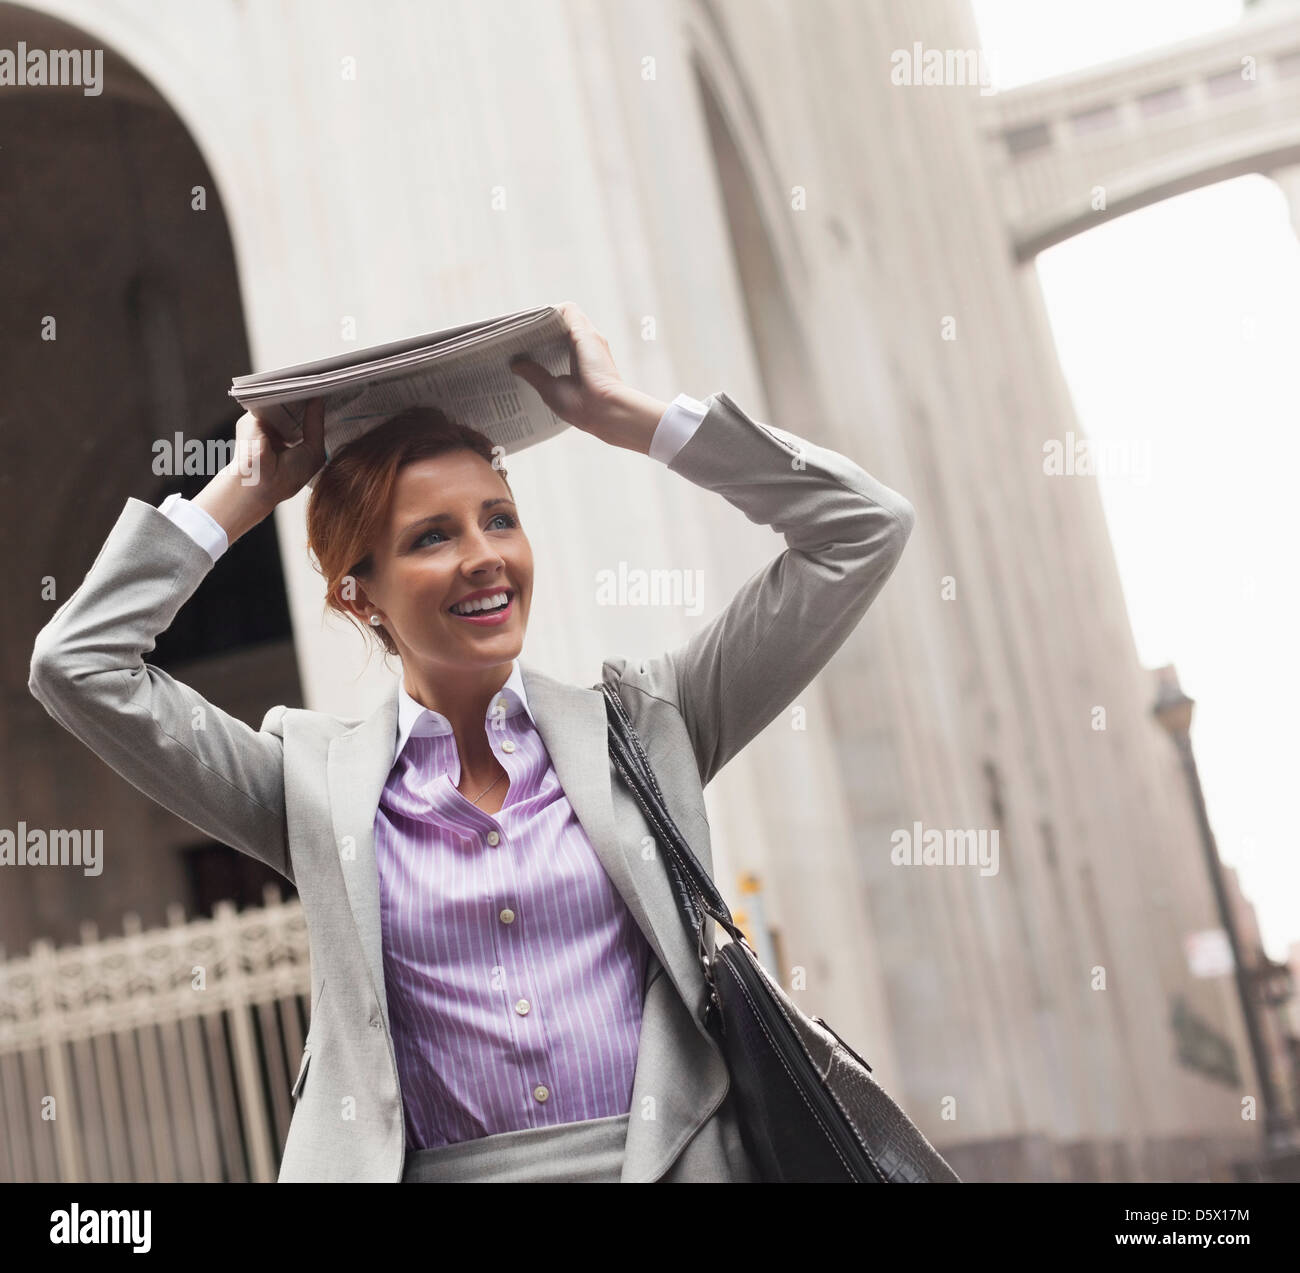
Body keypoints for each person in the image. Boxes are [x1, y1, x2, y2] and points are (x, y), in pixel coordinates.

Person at [28, 302, 916, 1182]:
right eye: (431, 537)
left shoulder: (648, 725)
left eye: (499, 518)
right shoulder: (311, 786)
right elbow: (79, 663)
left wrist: (634, 419)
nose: (484, 555)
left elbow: (861, 529)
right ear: (358, 595)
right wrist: (244, 494)